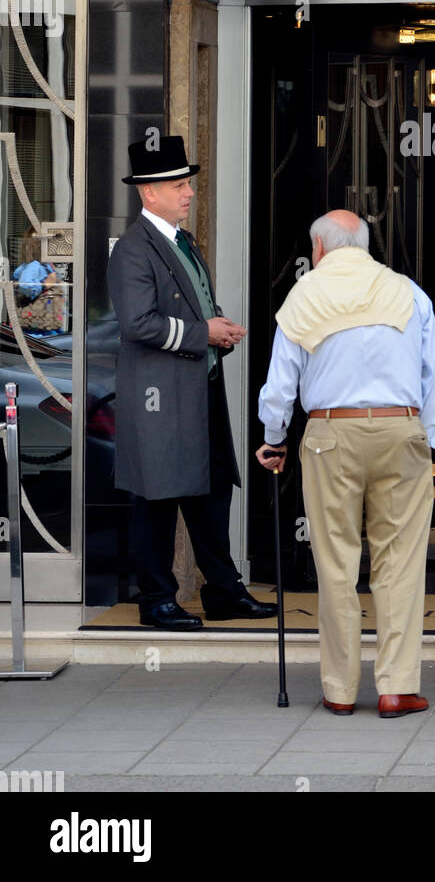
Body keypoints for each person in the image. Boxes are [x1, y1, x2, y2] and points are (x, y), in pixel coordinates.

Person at [257, 209, 435, 718]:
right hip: (400, 428)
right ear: (364, 245)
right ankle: (396, 687)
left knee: (335, 564)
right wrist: (426, 437)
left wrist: (274, 439)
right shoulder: (408, 291)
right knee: (400, 562)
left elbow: (280, 385)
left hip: (329, 435)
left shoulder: (306, 293)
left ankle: (339, 690)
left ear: (319, 249)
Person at [108, 135, 276, 631]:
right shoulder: (134, 249)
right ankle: (156, 599)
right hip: (159, 397)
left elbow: (191, 304)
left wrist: (216, 327)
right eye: (178, 185)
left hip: (196, 391)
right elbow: (138, 324)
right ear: (148, 193)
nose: (188, 193)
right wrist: (206, 332)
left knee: (210, 492)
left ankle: (223, 591)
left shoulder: (181, 240)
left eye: (188, 183)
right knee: (157, 498)